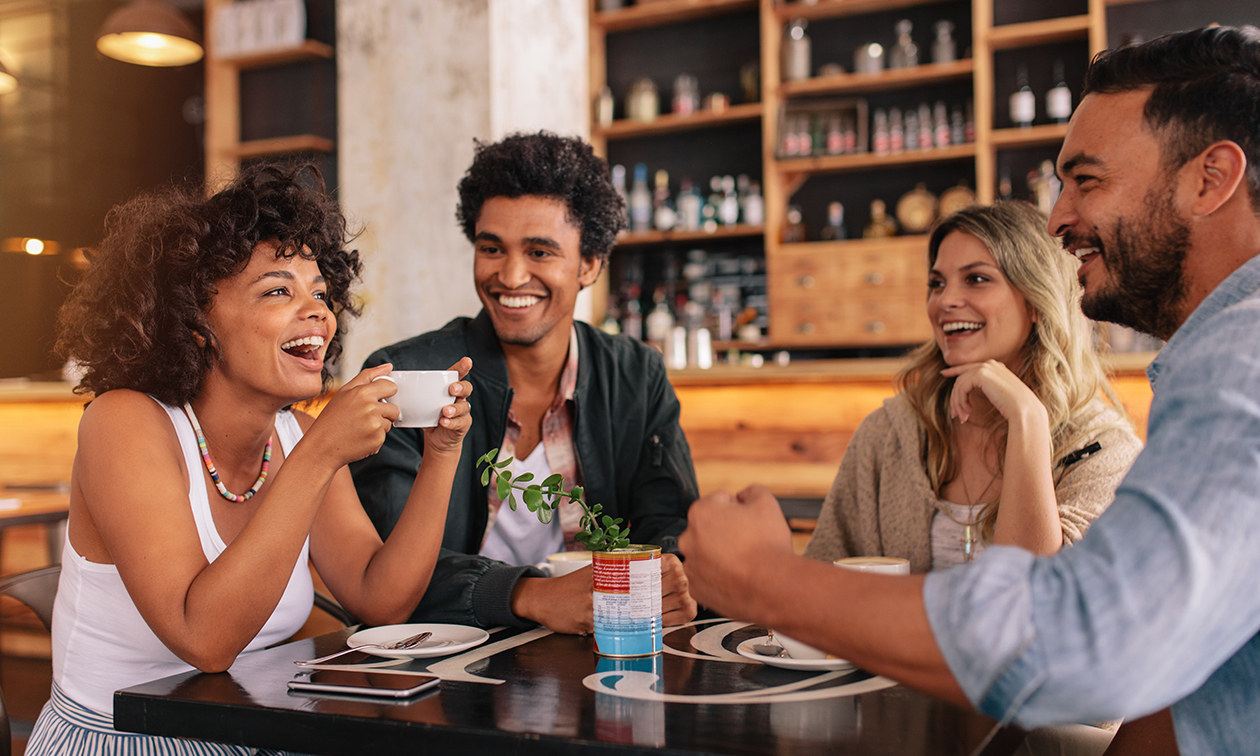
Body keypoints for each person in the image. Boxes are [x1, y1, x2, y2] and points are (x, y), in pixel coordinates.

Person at [679, 26, 1260, 756]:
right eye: (937, 282)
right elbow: (1192, 675)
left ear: (1211, 179)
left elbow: (1078, 647)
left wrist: (763, 580)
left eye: (1087, 180)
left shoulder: (1239, 360)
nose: (1058, 218)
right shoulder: (895, 428)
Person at [27, 163, 472, 754]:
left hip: (256, 731)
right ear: (195, 322)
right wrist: (320, 454)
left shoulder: (297, 435)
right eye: (278, 290)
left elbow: (380, 599)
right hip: (125, 740)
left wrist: (442, 453)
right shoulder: (125, 422)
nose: (318, 311)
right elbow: (204, 640)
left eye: (320, 292)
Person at [351, 132, 698, 635]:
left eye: (539, 252)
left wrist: (665, 583)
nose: (511, 276)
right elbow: (387, 571)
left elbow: (670, 528)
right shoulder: (405, 377)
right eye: (492, 248)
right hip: (442, 657)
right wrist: (529, 595)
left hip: (602, 649)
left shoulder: (636, 375)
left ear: (589, 264)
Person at [805, 202, 1141, 572]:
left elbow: (1034, 591)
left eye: (976, 279)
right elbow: (816, 580)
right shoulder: (888, 435)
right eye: (937, 283)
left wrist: (1027, 419)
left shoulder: (1104, 452)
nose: (945, 301)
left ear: (1036, 300)